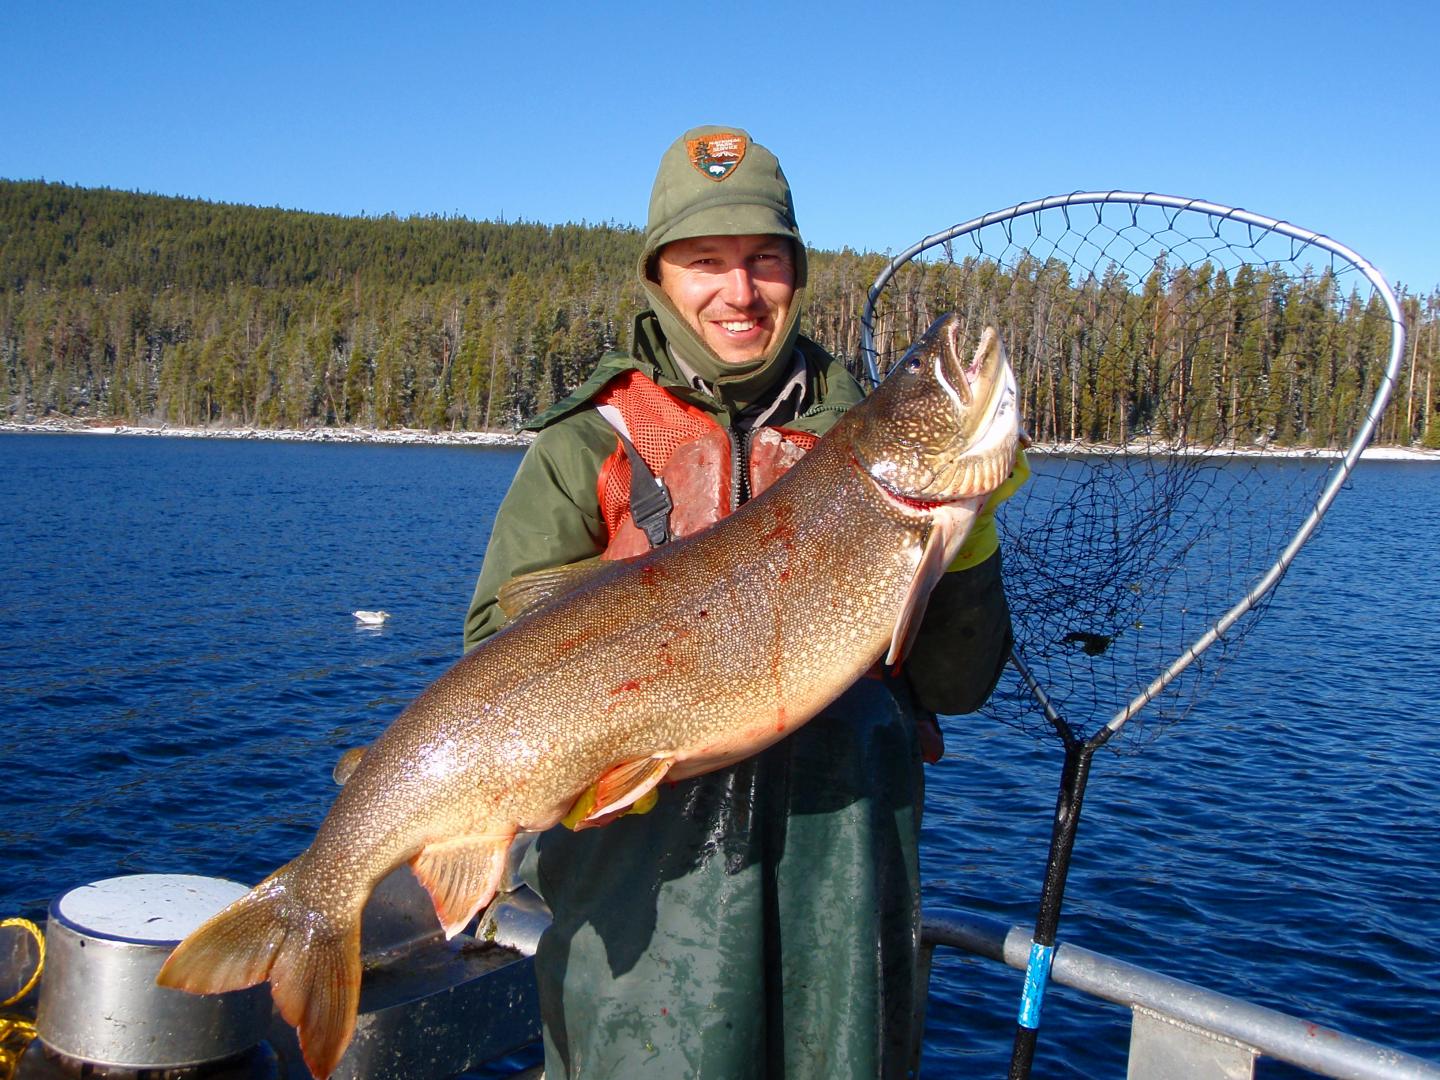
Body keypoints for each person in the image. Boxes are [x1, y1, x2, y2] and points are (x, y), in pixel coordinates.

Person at [464, 125, 1018, 1079]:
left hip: (839, 895)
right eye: (705, 262)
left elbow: (959, 686)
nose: (739, 291)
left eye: (765, 259)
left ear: (797, 272)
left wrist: (971, 529)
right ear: (660, 278)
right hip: (639, 912)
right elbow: (493, 662)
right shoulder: (583, 447)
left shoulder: (863, 438)